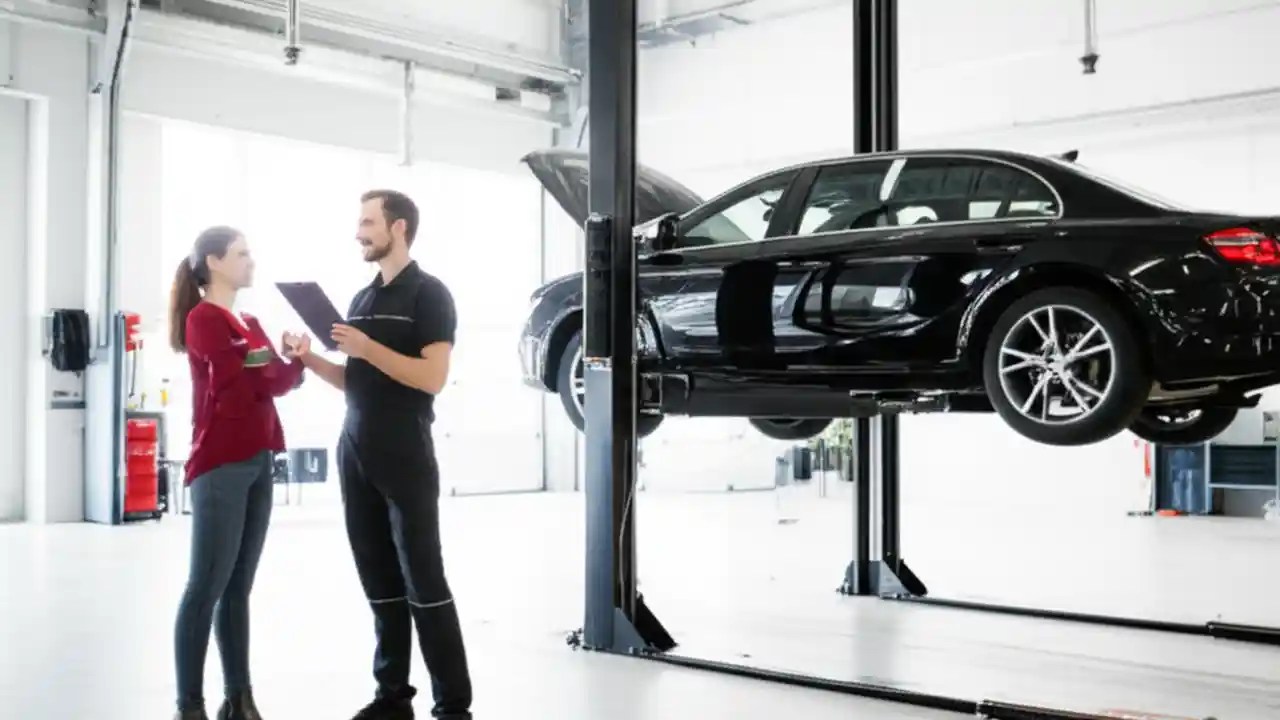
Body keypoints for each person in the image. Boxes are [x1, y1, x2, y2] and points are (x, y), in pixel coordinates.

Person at [298, 190, 471, 720]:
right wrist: (309, 360)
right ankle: (392, 696)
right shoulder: (361, 298)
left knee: (423, 577)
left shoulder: (430, 295)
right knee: (377, 576)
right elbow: (357, 381)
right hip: (356, 448)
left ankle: (453, 706)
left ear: (398, 228)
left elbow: (431, 378)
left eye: (368, 222)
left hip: (405, 452)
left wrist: (368, 347)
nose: (359, 232)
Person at [168, 226, 308, 720]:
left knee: (238, 588)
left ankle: (240, 699)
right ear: (214, 261)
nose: (251, 261)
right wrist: (263, 366)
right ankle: (190, 707)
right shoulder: (203, 319)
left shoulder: (246, 319)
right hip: (220, 463)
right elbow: (233, 387)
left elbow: (277, 379)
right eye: (242, 254)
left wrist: (289, 360)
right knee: (204, 586)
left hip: (257, 460)